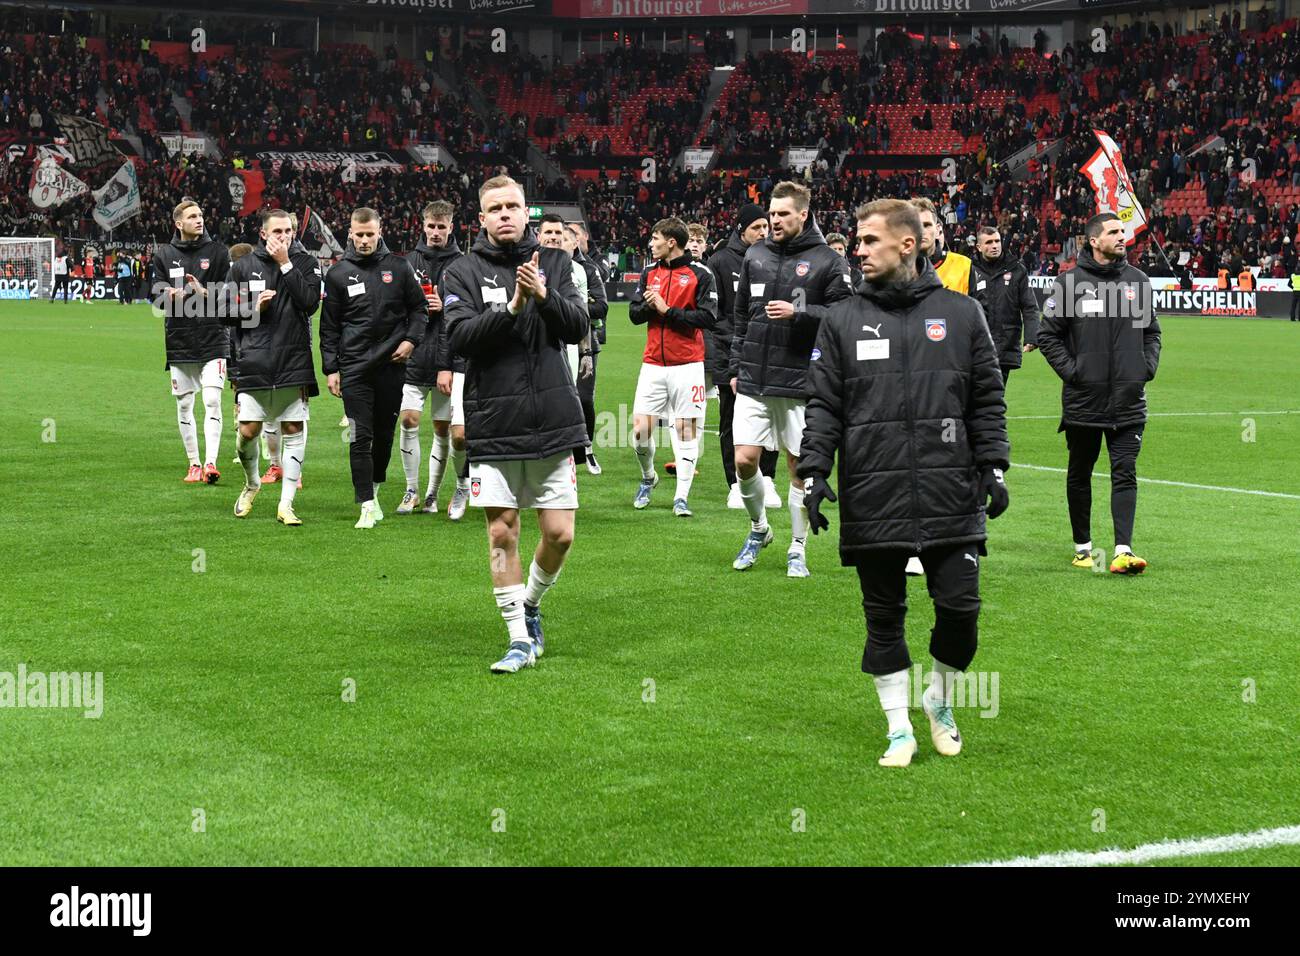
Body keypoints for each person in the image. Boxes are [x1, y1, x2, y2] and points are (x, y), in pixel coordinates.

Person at [799, 198, 1010, 768]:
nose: (857, 250)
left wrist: (993, 465)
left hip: (950, 491)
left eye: (869, 240)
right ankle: (899, 729)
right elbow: (824, 404)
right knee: (883, 616)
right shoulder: (841, 320)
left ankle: (939, 700)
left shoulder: (963, 315)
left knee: (961, 612)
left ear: (908, 244)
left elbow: (986, 398)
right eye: (856, 241)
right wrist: (814, 471)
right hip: (874, 491)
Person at [443, 175, 588, 674]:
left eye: (513, 206)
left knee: (560, 533)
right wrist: (512, 308)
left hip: (552, 417)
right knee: (502, 532)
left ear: (527, 212)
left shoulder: (557, 262)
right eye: (495, 208)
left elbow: (578, 326)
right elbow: (460, 338)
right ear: (480, 218)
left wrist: (545, 296)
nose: (505, 214)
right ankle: (517, 638)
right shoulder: (461, 271)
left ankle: (530, 603)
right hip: (493, 420)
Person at [727, 180, 852, 577]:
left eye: (782, 214)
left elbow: (845, 315)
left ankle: (797, 546)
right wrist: (735, 365)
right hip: (754, 376)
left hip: (800, 380)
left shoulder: (828, 261)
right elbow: (741, 316)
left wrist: (801, 314)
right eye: (771, 213)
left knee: (798, 468)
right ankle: (759, 528)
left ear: (803, 214)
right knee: (744, 460)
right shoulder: (756, 254)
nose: (774, 221)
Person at [1037, 213, 1162, 575]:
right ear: (1094, 240)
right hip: (1084, 400)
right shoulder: (1069, 284)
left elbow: (1152, 332)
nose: (1122, 237)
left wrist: (1145, 368)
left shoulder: (1137, 282)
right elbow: (1048, 335)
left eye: (1122, 231)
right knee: (1080, 472)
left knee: (1125, 471)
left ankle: (1123, 550)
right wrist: (1075, 373)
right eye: (1113, 232)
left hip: (1128, 399)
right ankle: (1082, 547)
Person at [319, 207, 428, 529]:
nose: (364, 240)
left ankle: (376, 489)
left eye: (370, 234)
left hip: (392, 365)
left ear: (379, 232)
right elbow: (329, 327)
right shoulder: (338, 273)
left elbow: (419, 309)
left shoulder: (399, 266)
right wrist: (331, 369)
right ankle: (365, 502)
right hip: (353, 367)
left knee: (383, 435)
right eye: (359, 234)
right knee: (359, 435)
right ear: (350, 233)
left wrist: (410, 340)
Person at [226, 208, 323, 525]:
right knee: (248, 431)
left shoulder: (306, 263)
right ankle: (252, 483)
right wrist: (253, 308)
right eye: (277, 231)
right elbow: (225, 313)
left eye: (288, 231)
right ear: (263, 233)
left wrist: (285, 264)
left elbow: (309, 303)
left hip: (293, 358)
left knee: (293, 428)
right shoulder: (243, 267)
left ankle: (286, 504)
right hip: (253, 359)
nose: (284, 236)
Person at [628, 217, 718, 517]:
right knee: (640, 430)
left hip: (688, 365)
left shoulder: (700, 274)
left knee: (685, 429)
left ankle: (681, 497)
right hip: (653, 363)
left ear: (670, 242)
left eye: (655, 238)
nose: (650, 243)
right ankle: (648, 477)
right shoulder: (648, 273)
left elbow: (708, 318)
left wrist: (668, 311)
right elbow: (634, 315)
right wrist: (649, 307)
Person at [706, 204, 781, 511]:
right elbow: (717, 313)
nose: (763, 233)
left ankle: (767, 479)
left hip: (770, 352)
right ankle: (736, 484)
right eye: (757, 228)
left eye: (767, 227)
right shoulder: (720, 261)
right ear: (741, 229)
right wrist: (738, 342)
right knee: (732, 420)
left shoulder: (776, 258)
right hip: (732, 352)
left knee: (772, 416)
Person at [152, 198, 232, 484]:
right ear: (178, 223)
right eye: (193, 216)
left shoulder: (218, 252)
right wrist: (168, 296)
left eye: (201, 215)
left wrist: (203, 291)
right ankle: (194, 463)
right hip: (179, 339)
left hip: (214, 336)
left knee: (212, 400)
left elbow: (230, 291)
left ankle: (211, 463)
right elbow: (156, 296)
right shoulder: (164, 254)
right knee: (185, 404)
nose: (200, 220)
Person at [394, 200, 464, 516]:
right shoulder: (408, 262)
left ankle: (433, 495)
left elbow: (466, 315)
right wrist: (419, 307)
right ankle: (411, 490)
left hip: (446, 358)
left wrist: (444, 309)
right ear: (423, 226)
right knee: (408, 419)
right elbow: (395, 309)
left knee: (442, 428)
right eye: (431, 226)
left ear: (451, 227)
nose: (436, 232)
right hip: (413, 354)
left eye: (442, 227)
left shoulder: (463, 265)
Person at [970, 225, 1038, 387]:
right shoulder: (969, 270)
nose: (994, 246)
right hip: (975, 345)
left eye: (997, 241)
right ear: (979, 247)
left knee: (995, 396)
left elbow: (1029, 306)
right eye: (988, 242)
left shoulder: (1017, 270)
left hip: (1005, 344)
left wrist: (1032, 337)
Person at [569, 221, 608, 474]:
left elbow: (600, 305)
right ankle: (565, 454)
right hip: (555, 344)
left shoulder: (588, 269)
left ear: (575, 241)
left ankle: (588, 450)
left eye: (564, 237)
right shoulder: (544, 267)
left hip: (586, 342)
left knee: (584, 399)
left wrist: (572, 307)